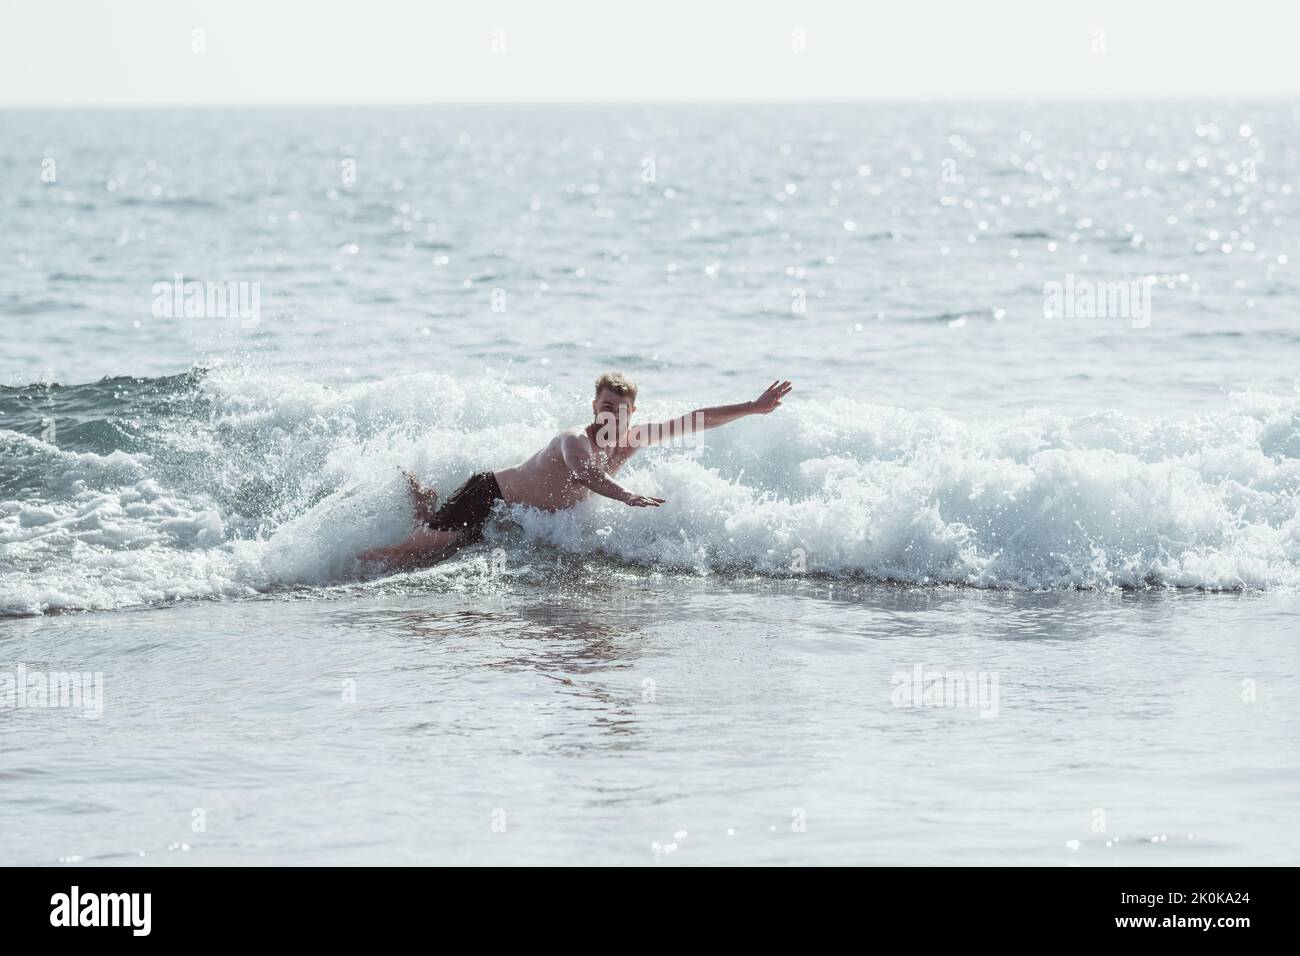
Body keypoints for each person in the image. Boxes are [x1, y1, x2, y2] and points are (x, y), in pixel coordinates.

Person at [359, 372, 793, 568]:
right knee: (407, 556)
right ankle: (332, 568)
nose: (611, 416)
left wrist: (753, 409)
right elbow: (585, 474)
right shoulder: (573, 440)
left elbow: (697, 419)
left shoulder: (636, 437)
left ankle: (426, 505)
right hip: (487, 496)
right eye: (605, 407)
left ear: (632, 412)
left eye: (620, 410)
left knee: (435, 549)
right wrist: (625, 496)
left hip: (514, 515)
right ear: (594, 406)